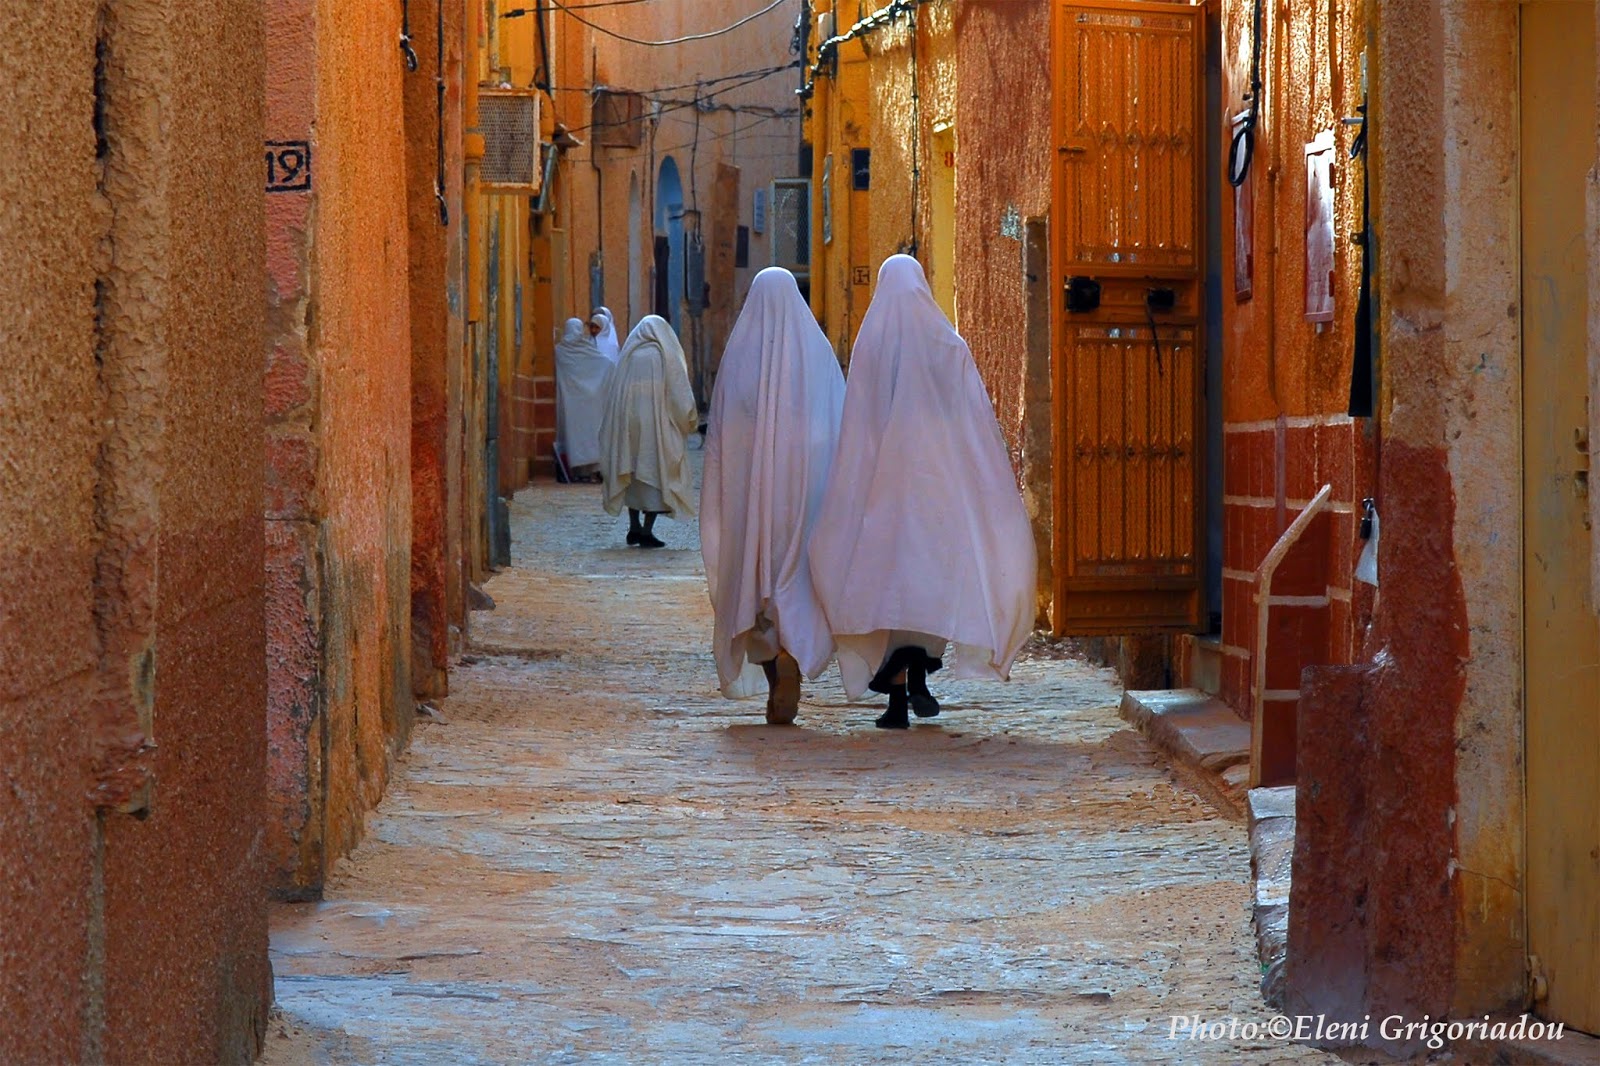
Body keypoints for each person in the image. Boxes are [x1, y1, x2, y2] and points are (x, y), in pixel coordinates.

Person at [808, 255, 1037, 729]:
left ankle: (898, 696)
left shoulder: (871, 344)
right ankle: (916, 678)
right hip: (936, 487)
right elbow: (971, 418)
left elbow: (858, 425)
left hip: (883, 493)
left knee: (891, 587)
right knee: (928, 582)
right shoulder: (945, 344)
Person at [701, 267, 845, 725]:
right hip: (804, 499)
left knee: (754, 587)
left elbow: (722, 439)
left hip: (752, 503)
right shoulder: (817, 356)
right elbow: (837, 426)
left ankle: (773, 671)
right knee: (799, 581)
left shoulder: (739, 358)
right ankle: (793, 657)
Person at [597, 315, 699, 548]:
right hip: (657, 425)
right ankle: (646, 529)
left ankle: (633, 526)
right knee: (655, 474)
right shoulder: (663, 356)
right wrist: (687, 418)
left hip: (629, 425)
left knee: (632, 473)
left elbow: (617, 393)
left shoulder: (629, 356)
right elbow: (677, 390)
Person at [553, 318, 613, 482]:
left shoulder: (559, 351)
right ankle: (593, 470)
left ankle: (579, 471)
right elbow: (606, 364)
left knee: (575, 434)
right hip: (591, 402)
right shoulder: (587, 349)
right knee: (592, 434)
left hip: (571, 402)